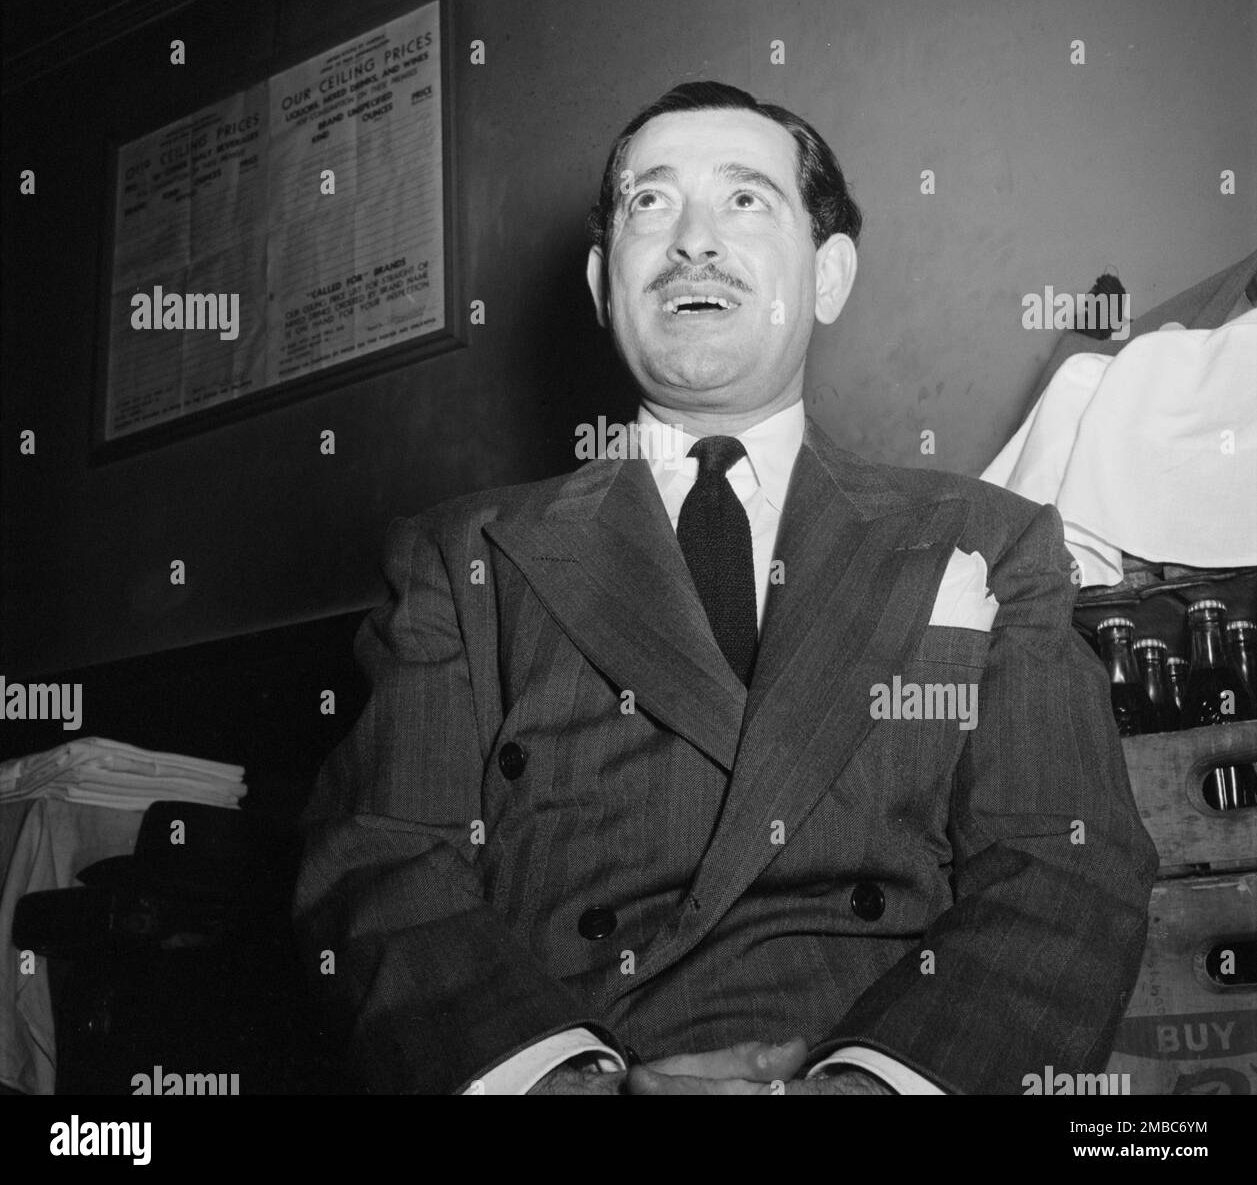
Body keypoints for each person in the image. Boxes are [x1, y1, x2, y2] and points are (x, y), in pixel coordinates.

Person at [293, 81, 1158, 1095]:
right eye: (649, 204)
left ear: (828, 274)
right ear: (601, 282)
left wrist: (874, 1084)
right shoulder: (459, 556)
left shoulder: (988, 539)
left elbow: (1063, 862)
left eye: (745, 200)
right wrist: (561, 1081)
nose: (693, 241)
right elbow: (383, 862)